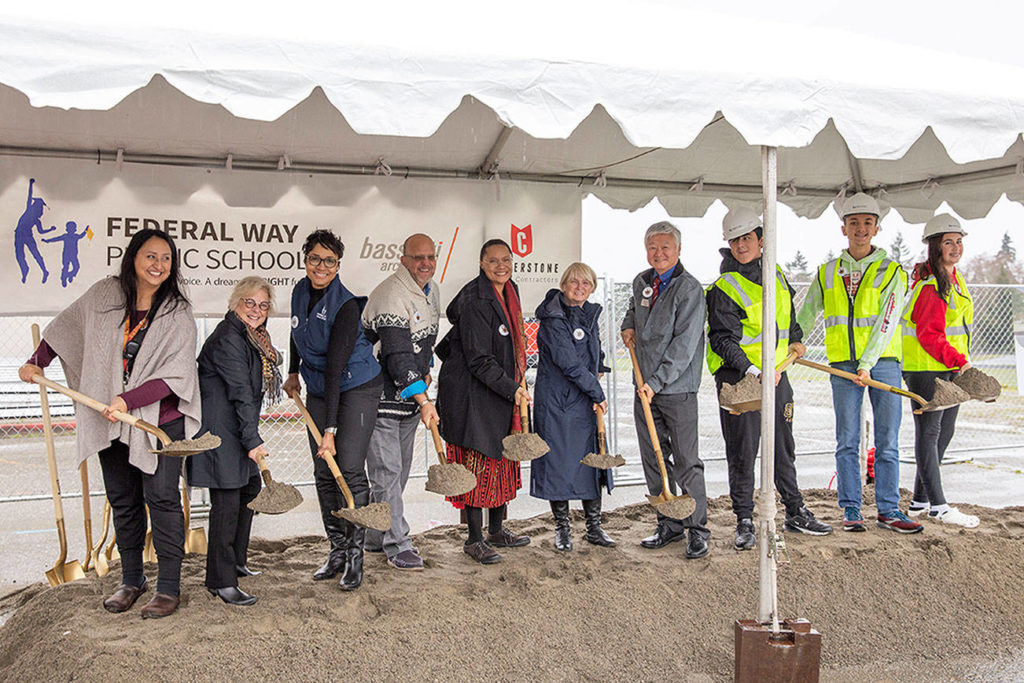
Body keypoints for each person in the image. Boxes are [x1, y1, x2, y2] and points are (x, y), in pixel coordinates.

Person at [19, 228, 201, 618]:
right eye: (151, 256)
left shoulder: (177, 311)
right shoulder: (105, 294)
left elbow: (178, 374)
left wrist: (129, 400)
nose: (159, 265)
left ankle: (169, 587)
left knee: (163, 500)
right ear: (134, 257)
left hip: (159, 423)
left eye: (166, 258)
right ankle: (132, 579)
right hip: (111, 419)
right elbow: (66, 328)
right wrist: (37, 361)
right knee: (123, 498)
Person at [706, 208, 832, 551]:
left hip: (778, 374)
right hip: (740, 380)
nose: (741, 245)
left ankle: (794, 510)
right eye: (735, 240)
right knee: (743, 451)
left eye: (746, 238)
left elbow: (786, 314)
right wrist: (753, 371)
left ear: (761, 241)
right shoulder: (723, 288)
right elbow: (722, 339)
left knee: (782, 446)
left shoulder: (775, 272)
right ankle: (744, 519)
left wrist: (795, 337)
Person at [797, 193, 922, 534]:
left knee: (887, 439)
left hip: (883, 364)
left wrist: (868, 363)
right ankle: (851, 509)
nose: (861, 229)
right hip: (841, 366)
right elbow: (807, 315)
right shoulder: (828, 272)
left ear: (876, 228)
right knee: (848, 439)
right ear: (843, 229)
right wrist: (792, 345)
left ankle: (888, 508)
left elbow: (887, 321)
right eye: (854, 223)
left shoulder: (893, 271)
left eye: (867, 222)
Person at [283, 230, 382, 591]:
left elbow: (337, 368)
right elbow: (297, 332)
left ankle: (356, 558)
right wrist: (293, 371)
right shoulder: (298, 291)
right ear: (305, 259)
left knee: (350, 470)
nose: (321, 267)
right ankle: (337, 550)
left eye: (329, 261)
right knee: (324, 471)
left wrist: (330, 430)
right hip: (320, 385)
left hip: (355, 385)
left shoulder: (346, 305)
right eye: (314, 259)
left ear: (338, 265)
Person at [436, 238, 532, 564]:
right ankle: (474, 539)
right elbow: (478, 360)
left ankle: (496, 531)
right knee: (476, 466)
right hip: (471, 396)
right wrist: (512, 388)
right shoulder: (477, 301)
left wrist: (512, 385)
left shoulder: (510, 290)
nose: (501, 266)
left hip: (498, 390)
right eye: (493, 261)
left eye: (506, 259)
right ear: (481, 263)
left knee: (501, 465)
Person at [189, 276, 283, 606]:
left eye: (262, 305)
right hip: (219, 432)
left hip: (237, 428)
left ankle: (237, 561)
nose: (256, 310)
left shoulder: (252, 338)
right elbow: (242, 392)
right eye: (249, 303)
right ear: (235, 303)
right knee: (227, 504)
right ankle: (220, 580)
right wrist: (252, 440)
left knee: (248, 490)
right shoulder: (228, 338)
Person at [621, 221, 709, 558]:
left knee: (686, 461)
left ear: (678, 250)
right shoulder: (642, 281)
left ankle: (697, 529)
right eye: (652, 247)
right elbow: (634, 310)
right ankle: (668, 525)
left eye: (665, 247)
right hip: (643, 387)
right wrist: (628, 324)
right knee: (653, 460)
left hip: (676, 389)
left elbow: (684, 346)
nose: (658, 253)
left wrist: (655, 384)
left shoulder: (689, 289)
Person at [361, 234, 441, 571]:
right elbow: (397, 357)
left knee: (399, 472)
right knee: (387, 472)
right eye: (417, 257)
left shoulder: (431, 290)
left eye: (430, 257)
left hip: (408, 400)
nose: (425, 263)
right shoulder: (391, 294)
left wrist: (427, 375)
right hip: (378, 398)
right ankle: (398, 543)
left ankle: (374, 535)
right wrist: (424, 399)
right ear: (403, 259)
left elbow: (423, 345)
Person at [902, 214, 980, 528]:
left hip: (949, 367)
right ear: (935, 246)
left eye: (959, 241)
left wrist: (959, 362)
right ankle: (939, 506)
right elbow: (929, 334)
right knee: (930, 434)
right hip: (927, 368)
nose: (955, 247)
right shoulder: (932, 285)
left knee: (943, 434)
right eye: (948, 242)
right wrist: (960, 361)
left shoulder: (953, 279)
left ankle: (920, 501)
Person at [531, 262, 615, 551]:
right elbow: (568, 362)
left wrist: (600, 365)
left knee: (591, 463)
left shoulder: (588, 314)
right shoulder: (553, 319)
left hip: (583, 401)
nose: (580, 287)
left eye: (586, 283)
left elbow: (592, 349)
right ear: (564, 284)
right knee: (560, 465)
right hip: (558, 404)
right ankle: (562, 528)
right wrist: (597, 392)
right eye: (575, 282)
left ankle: (594, 526)